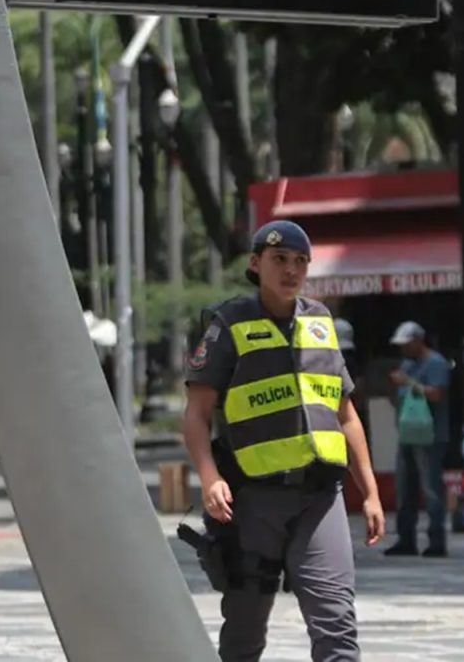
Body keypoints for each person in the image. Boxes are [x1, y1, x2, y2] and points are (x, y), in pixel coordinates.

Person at [183, 220, 385, 662]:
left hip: (320, 498)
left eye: (300, 261)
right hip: (254, 502)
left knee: (337, 628)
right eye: (279, 260)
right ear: (256, 264)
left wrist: (369, 492)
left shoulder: (321, 322)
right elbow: (196, 416)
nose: (291, 270)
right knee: (244, 631)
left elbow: (345, 415)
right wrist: (209, 477)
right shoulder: (229, 324)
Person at [382, 320, 452, 558]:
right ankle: (406, 539)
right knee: (405, 487)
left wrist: (409, 383)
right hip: (408, 434)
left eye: (406, 344)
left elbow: (436, 394)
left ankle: (436, 540)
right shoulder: (407, 364)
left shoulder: (436, 364)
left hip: (430, 436)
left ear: (418, 341)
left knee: (431, 488)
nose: (403, 350)